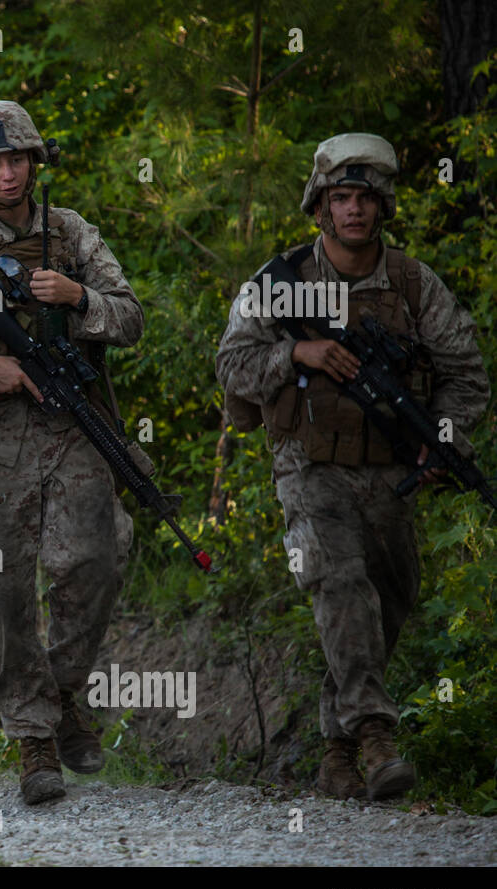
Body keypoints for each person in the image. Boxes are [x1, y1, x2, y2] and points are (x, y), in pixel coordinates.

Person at [216, 133, 490, 801]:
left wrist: (440, 441)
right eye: (341, 198)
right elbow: (231, 365)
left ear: (383, 206)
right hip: (307, 468)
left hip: (387, 469)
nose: (355, 211)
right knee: (339, 584)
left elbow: (467, 377)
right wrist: (296, 358)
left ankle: (337, 749)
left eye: (366, 198)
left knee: (389, 599)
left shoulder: (410, 283)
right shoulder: (284, 282)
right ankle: (376, 738)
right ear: (320, 207)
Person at [0, 100, 143, 804]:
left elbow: (130, 317)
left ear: (33, 163)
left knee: (96, 560)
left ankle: (63, 693)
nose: (7, 172)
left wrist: (80, 298)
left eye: (16, 158)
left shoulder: (71, 235)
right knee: (5, 589)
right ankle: (34, 739)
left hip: (70, 425)